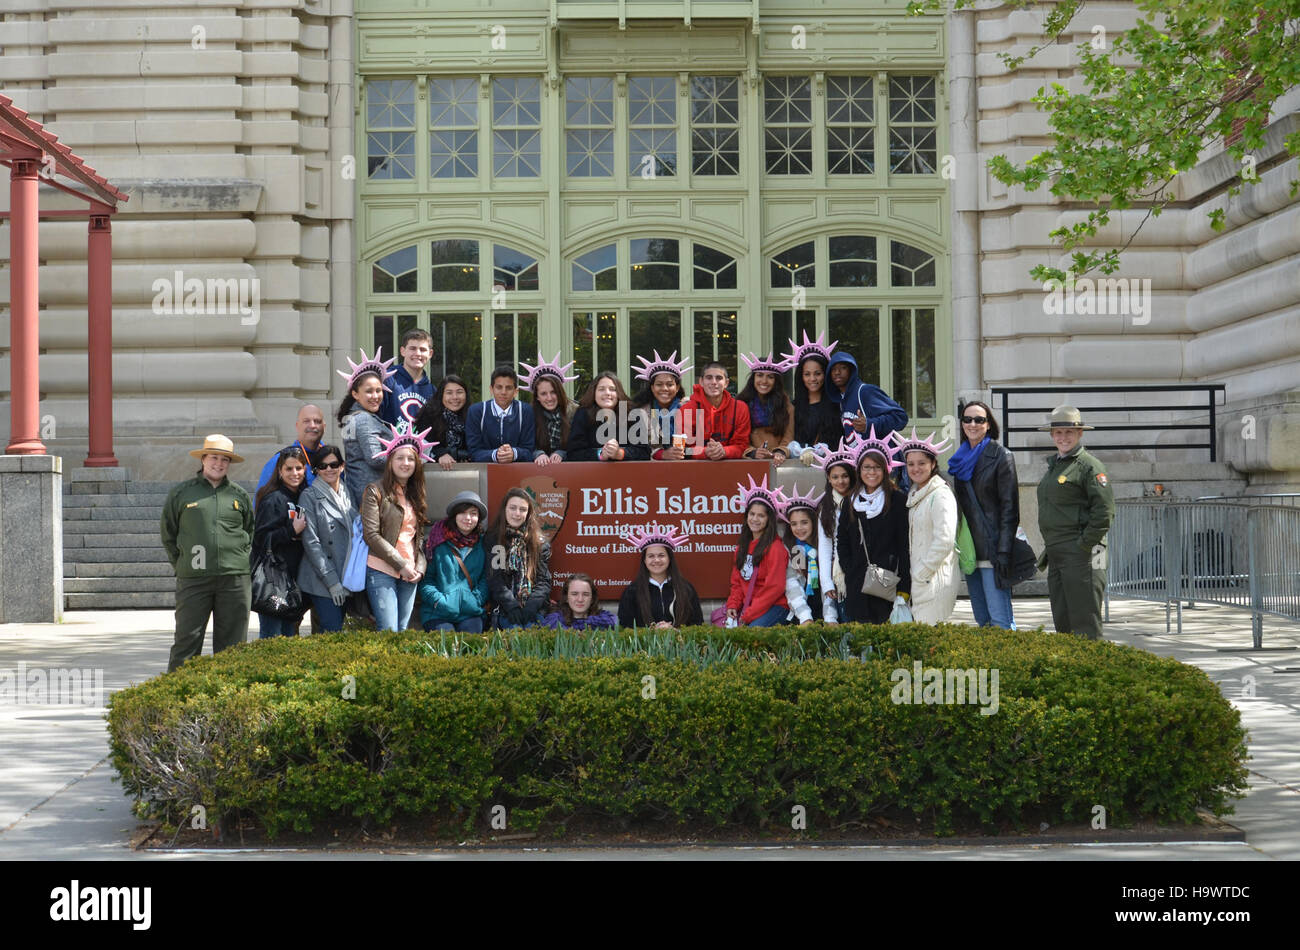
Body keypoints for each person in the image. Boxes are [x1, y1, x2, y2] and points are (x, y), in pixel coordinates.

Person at [160, 434, 255, 672]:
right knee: (187, 640)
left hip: (234, 579)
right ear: (203, 459)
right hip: (194, 578)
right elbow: (169, 533)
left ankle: (229, 695)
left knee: (233, 644)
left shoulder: (239, 495)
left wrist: (238, 559)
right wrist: (183, 564)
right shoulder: (182, 494)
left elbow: (249, 532)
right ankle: (177, 695)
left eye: (225, 459)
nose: (219, 463)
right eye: (214, 457)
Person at [1036, 405, 1115, 640]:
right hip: (1058, 554)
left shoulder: (1090, 467)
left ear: (1080, 434)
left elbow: (1104, 512)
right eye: (1058, 433)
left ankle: (1093, 674)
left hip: (1083, 555)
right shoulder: (1056, 466)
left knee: (1085, 625)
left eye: (1069, 432)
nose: (1063, 438)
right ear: (1051, 435)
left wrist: (1082, 546)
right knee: (1063, 623)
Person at [948, 400, 1024, 629]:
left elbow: (1010, 509)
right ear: (961, 425)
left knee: (1000, 620)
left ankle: (1011, 664)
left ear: (989, 424)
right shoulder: (959, 460)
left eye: (979, 419)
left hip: (993, 549)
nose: (973, 424)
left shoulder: (1001, 456)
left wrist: (1003, 550)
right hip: (970, 548)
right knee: (982, 619)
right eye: (967, 419)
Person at [360, 427, 433, 632]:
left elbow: (418, 537)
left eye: (410, 459)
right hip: (381, 568)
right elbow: (371, 535)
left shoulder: (416, 492)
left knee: (402, 630)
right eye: (399, 458)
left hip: (410, 571)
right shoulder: (375, 490)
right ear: (390, 462)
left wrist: (419, 567)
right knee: (389, 630)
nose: (405, 463)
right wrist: (400, 564)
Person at [836, 435, 911, 624]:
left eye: (877, 467)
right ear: (859, 470)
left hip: (887, 582)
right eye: (867, 467)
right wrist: (850, 568)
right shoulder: (850, 501)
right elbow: (842, 539)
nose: (872, 472)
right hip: (857, 582)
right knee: (860, 637)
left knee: (885, 639)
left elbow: (904, 545)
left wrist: (904, 586)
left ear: (885, 470)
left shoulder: (897, 500)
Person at [894, 428, 959, 625]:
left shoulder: (940, 494)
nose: (916, 469)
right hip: (920, 582)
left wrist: (922, 572)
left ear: (933, 464)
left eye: (921, 463)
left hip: (934, 581)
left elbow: (945, 540)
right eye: (911, 464)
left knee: (932, 642)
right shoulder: (915, 495)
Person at [251, 446, 310, 638]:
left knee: (289, 635)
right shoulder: (273, 499)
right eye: (289, 469)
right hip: (273, 579)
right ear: (280, 471)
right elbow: (261, 538)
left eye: (299, 468)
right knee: (272, 635)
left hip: (295, 579)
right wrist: (291, 531)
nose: (295, 473)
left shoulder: (304, 496)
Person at [296, 443, 353, 633]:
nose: (329, 469)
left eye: (334, 464)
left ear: (342, 466)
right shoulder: (308, 496)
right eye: (323, 466)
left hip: (346, 575)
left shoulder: (347, 492)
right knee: (331, 632)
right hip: (321, 579)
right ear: (316, 470)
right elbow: (311, 542)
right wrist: (332, 581)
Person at [419, 491, 490, 632]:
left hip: (471, 611)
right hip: (438, 612)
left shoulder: (483, 544)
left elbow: (486, 578)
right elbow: (426, 580)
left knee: (470, 645)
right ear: (454, 515)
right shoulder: (437, 542)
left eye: (473, 513)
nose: (468, 518)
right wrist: (439, 601)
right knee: (447, 644)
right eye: (463, 513)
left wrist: (475, 600)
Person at [726, 476, 790, 627]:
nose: (755, 519)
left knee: (751, 634)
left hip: (775, 607)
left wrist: (748, 615)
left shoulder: (775, 548)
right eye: (752, 514)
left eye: (761, 515)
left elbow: (775, 588)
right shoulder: (741, 547)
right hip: (750, 608)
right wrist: (733, 605)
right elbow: (737, 583)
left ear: (769, 520)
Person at [813, 434, 863, 625]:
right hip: (838, 574)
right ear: (828, 478)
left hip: (859, 571)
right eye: (835, 477)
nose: (840, 481)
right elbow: (825, 547)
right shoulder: (826, 507)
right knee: (845, 622)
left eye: (844, 476)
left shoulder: (861, 500)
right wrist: (826, 583)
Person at [338, 347, 398, 508]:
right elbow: (376, 458)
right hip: (372, 494)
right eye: (369, 391)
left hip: (359, 490)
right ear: (355, 394)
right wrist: (404, 456)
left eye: (379, 390)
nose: (376, 396)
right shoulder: (364, 418)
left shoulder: (350, 416)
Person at [487, 488, 553, 628]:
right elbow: (495, 578)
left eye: (522, 509)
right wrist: (512, 606)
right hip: (506, 610)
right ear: (504, 510)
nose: (517, 514)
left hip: (534, 610)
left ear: (528, 513)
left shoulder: (539, 543)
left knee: (533, 638)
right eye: (512, 508)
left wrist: (531, 607)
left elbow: (543, 581)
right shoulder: (495, 540)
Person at [617, 527, 703, 628]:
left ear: (669, 558)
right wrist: (652, 632)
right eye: (651, 556)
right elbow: (626, 626)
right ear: (644, 560)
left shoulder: (686, 589)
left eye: (661, 555)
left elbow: (697, 623)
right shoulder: (632, 591)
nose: (656, 560)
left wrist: (676, 632)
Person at [782, 331, 843, 463]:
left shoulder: (838, 404)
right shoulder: (793, 407)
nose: (812, 379)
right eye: (807, 374)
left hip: (833, 469)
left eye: (817, 373)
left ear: (825, 374)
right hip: (798, 469)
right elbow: (787, 440)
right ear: (801, 377)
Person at [826, 351, 908, 444]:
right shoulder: (840, 400)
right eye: (833, 369)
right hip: (860, 457)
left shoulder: (865, 391)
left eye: (843, 368)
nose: (837, 372)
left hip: (882, 456)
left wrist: (869, 424)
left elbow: (900, 417)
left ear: (851, 370)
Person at [567, 372, 647, 461]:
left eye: (612, 389)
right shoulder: (582, 414)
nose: (607, 393)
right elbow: (573, 453)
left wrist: (620, 453)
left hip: (627, 473)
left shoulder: (632, 413)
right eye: (601, 389)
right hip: (592, 473)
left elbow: (645, 452)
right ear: (594, 393)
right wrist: (600, 454)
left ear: (619, 393)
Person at [680, 360, 750, 459]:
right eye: (709, 378)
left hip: (731, 467)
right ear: (701, 382)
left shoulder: (740, 408)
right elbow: (682, 449)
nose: (714, 382)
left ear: (726, 383)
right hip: (695, 469)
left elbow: (743, 446)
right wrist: (704, 452)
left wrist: (725, 451)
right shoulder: (687, 409)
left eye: (719, 378)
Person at [466, 366, 537, 463]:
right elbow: (473, 452)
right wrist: (495, 455)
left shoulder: (525, 411)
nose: (503, 392)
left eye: (508, 388)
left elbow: (529, 450)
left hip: (519, 472)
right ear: (491, 389)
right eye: (499, 387)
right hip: (485, 472)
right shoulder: (476, 411)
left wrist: (514, 453)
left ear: (516, 391)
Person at [520, 351, 580, 466]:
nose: (549, 398)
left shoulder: (575, 412)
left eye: (553, 392)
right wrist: (538, 454)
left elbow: (579, 445)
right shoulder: (528, 414)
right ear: (537, 397)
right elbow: (524, 445)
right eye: (543, 394)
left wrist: (562, 453)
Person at [630, 349, 691, 460]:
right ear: (652, 388)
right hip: (654, 471)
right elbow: (641, 449)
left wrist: (684, 452)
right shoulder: (641, 413)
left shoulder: (689, 407)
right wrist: (662, 454)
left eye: (669, 384)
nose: (664, 389)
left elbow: (699, 444)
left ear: (677, 388)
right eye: (659, 384)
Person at [780, 484, 826, 625]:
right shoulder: (795, 548)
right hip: (804, 610)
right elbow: (793, 584)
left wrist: (830, 616)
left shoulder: (825, 546)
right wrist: (805, 616)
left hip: (827, 607)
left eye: (804, 522)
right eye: (794, 524)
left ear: (814, 521)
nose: (799, 528)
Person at [738, 353, 795, 463]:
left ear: (776, 381)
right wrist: (752, 452)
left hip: (778, 462)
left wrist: (780, 452)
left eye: (770, 377)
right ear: (753, 378)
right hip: (750, 462)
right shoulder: (741, 404)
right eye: (760, 375)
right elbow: (738, 439)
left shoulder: (786, 405)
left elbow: (789, 436)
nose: (764, 381)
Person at [256, 404, 326, 491]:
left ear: (324, 427)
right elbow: (263, 501)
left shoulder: (333, 460)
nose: (312, 425)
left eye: (317, 421)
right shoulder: (279, 460)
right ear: (297, 426)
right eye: (306, 421)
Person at [378, 328, 435, 431]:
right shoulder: (388, 379)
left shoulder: (432, 391)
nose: (418, 353)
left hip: (420, 446)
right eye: (412, 348)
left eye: (422, 349)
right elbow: (374, 417)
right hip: (391, 446)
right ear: (403, 351)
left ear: (430, 354)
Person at [412, 374, 471, 471]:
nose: (455, 397)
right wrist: (440, 454)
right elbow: (422, 444)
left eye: (459, 392)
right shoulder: (428, 413)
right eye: (449, 393)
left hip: (465, 471)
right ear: (441, 395)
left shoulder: (472, 415)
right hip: (432, 471)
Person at [539, 574, 617, 631]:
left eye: (585, 594)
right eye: (574, 594)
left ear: (592, 598)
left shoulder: (606, 621)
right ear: (566, 597)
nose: (580, 599)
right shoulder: (554, 622)